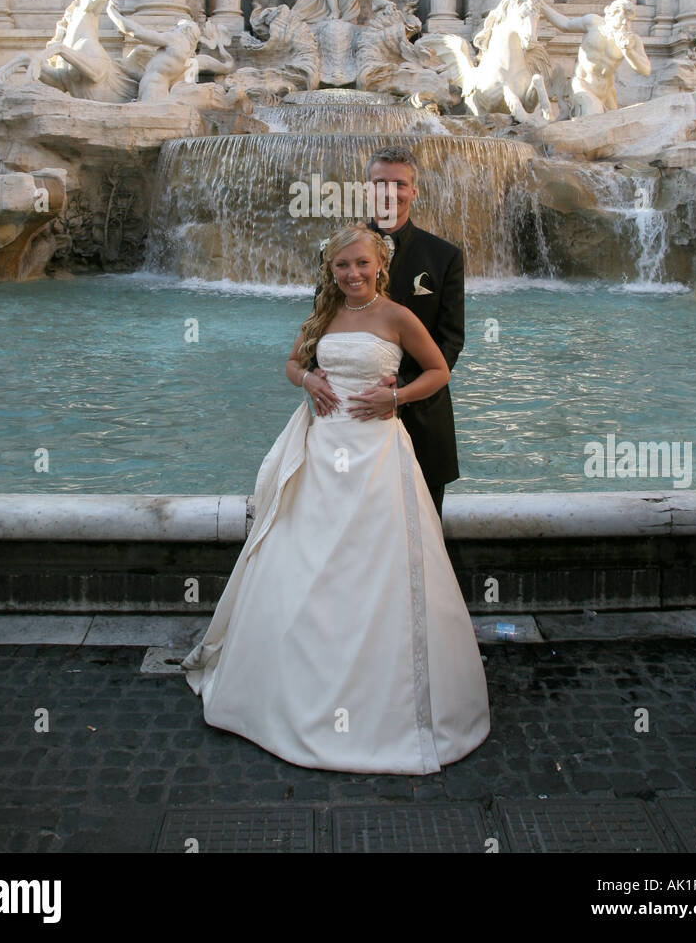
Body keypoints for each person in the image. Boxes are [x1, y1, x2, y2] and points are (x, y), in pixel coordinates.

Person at [181, 222, 490, 774]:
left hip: (376, 454)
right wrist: (308, 381)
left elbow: (439, 370)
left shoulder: (398, 316)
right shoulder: (324, 315)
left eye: (361, 265)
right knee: (306, 554)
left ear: (379, 268)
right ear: (332, 270)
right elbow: (292, 362)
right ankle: (288, 692)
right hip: (322, 450)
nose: (351, 274)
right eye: (341, 266)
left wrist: (396, 395)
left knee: (375, 562)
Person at [310, 147, 465, 522]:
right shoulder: (336, 252)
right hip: (350, 421)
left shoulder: (444, 256)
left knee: (421, 530)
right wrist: (312, 372)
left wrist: (400, 390)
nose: (390, 192)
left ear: (414, 191)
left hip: (422, 420)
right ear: (367, 189)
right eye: (381, 183)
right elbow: (320, 323)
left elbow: (451, 339)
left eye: (400, 184)